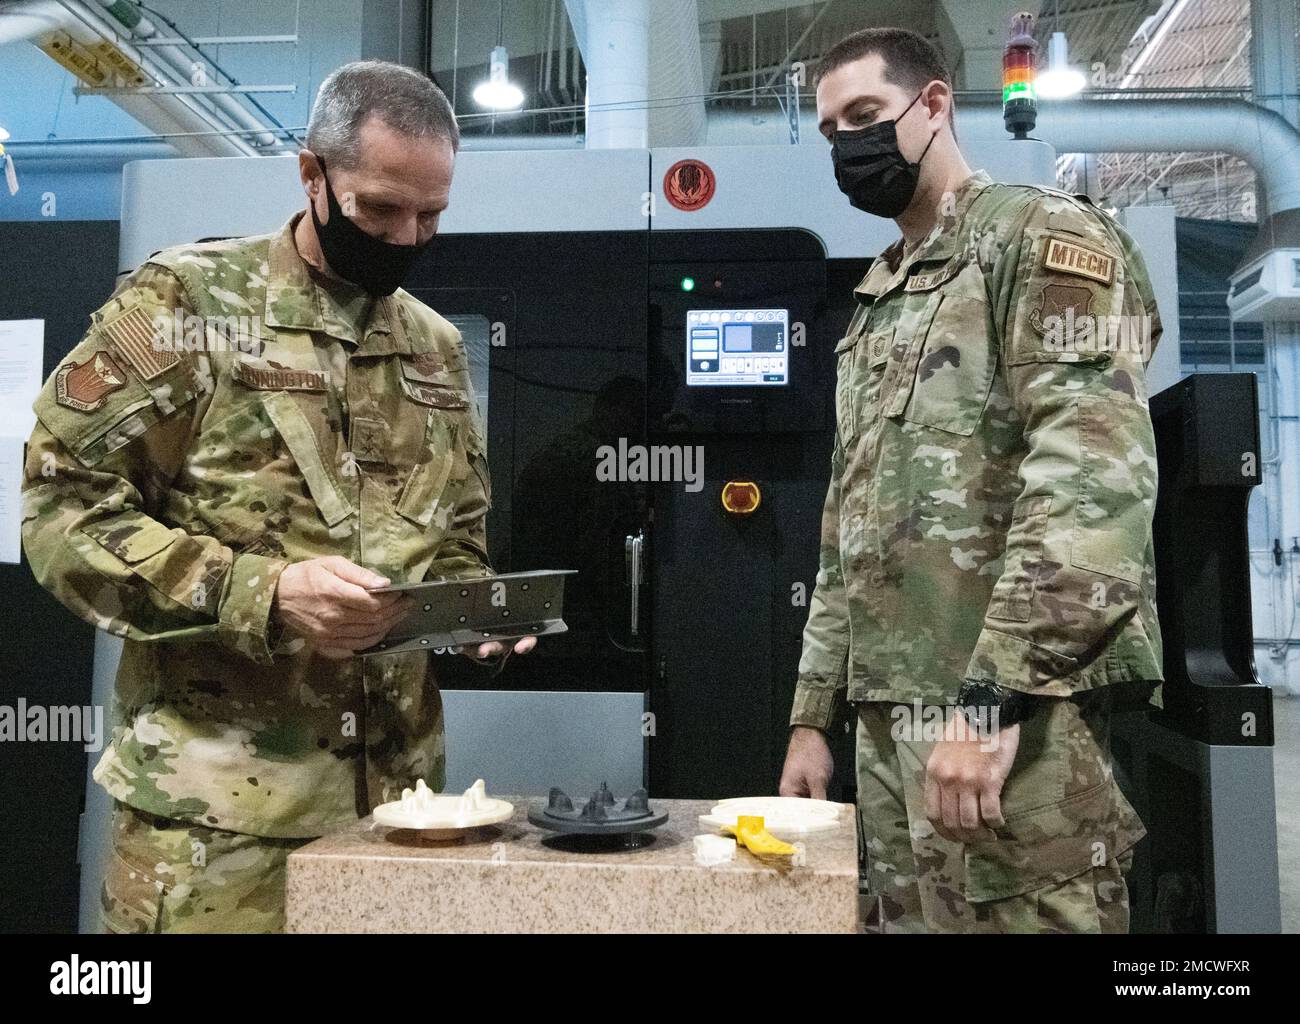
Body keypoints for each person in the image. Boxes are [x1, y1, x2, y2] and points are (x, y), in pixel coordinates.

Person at [22, 60, 534, 933]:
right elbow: (60, 515)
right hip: (217, 833)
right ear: (313, 176)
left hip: (398, 816)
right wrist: (263, 593)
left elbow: (453, 537)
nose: (408, 237)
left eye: (431, 215)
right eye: (381, 209)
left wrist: (468, 611)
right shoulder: (189, 305)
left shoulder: (433, 348)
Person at [778, 28, 1164, 933]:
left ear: (936, 105)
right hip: (889, 740)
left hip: (1010, 735)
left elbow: (1092, 490)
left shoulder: (1041, 239)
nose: (850, 143)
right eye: (833, 129)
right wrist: (811, 717)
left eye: (867, 115)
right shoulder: (881, 298)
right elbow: (849, 532)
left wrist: (991, 705)